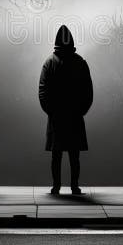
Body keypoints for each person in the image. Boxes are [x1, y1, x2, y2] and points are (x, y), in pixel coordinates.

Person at [38, 25, 93, 195]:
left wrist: (51, 111)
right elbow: (88, 92)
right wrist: (80, 111)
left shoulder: (49, 63)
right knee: (73, 155)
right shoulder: (80, 62)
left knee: (57, 155)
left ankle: (57, 186)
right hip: (74, 116)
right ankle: (74, 186)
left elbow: (43, 91)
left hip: (56, 117)